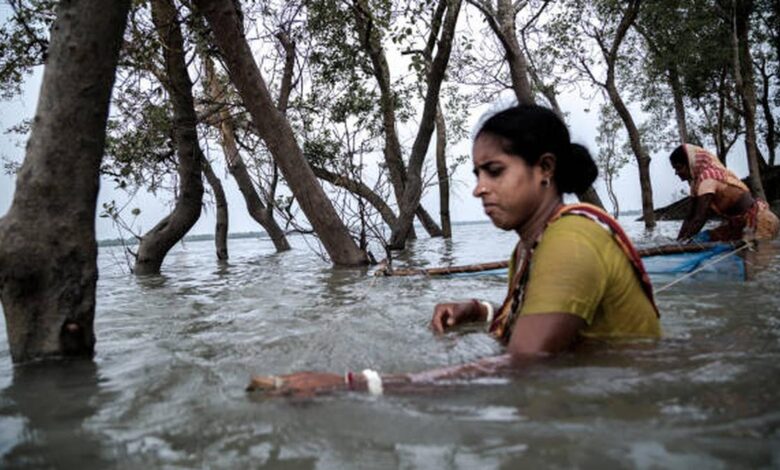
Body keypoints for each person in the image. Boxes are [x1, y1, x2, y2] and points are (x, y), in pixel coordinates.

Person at [247, 104, 661, 397]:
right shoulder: (531, 247)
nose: (480, 187)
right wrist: (479, 310)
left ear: (545, 169)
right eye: (478, 173)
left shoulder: (571, 241)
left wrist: (352, 385)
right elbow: (537, 316)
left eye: (494, 171)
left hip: (631, 401)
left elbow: (524, 365)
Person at [669, 144, 779, 242]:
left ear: (690, 163)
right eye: (674, 169)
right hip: (739, 225)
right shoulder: (696, 184)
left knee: (756, 260)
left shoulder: (708, 179)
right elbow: (689, 217)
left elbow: (700, 217)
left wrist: (685, 243)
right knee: (707, 238)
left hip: (760, 222)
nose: (676, 173)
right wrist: (678, 241)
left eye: (679, 168)